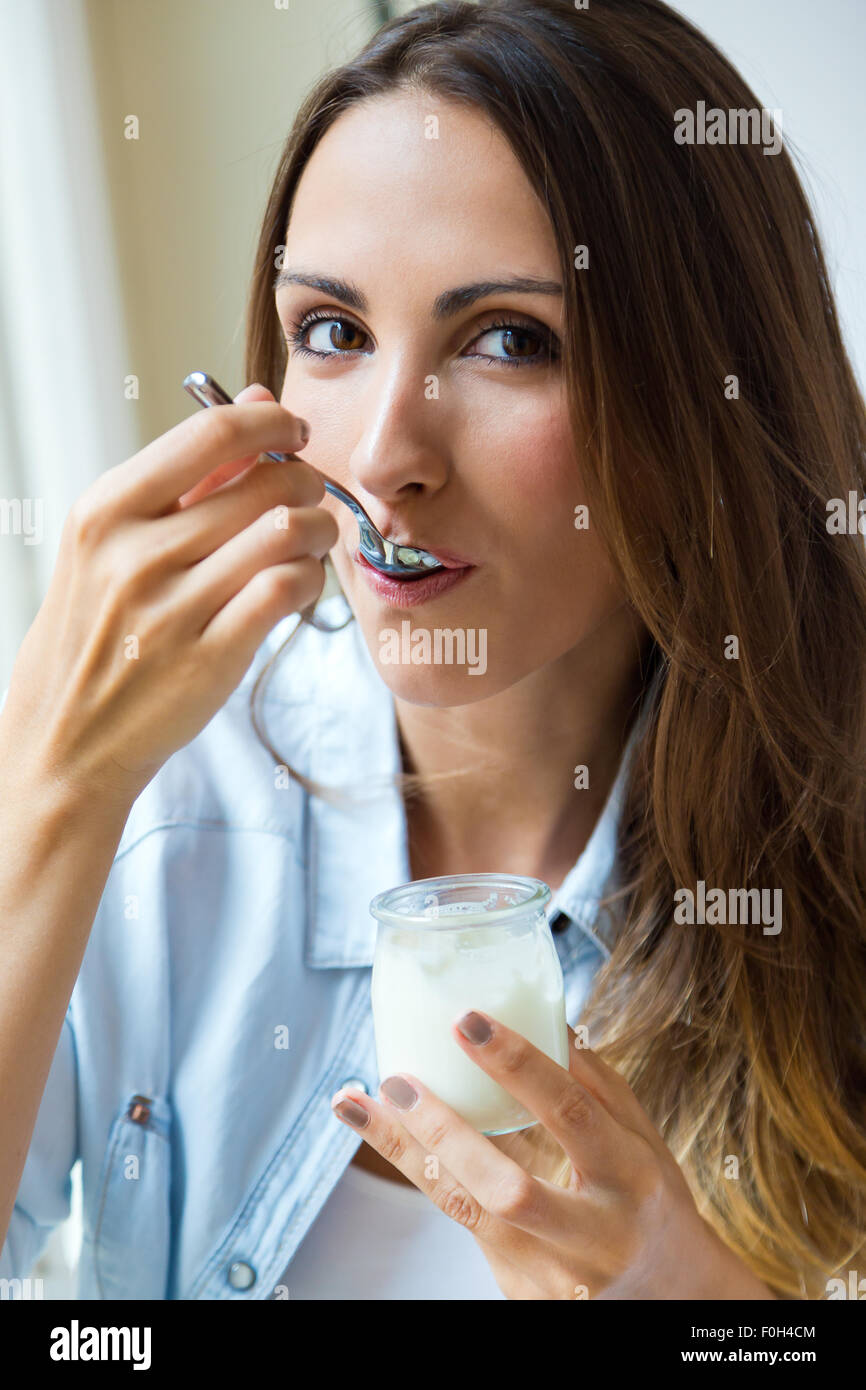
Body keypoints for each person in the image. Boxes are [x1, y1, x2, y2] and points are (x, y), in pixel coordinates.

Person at [1, 0, 864, 1301]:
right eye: (332, 334)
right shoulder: (165, 797)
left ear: (701, 409)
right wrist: (50, 789)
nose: (382, 453)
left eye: (507, 340)